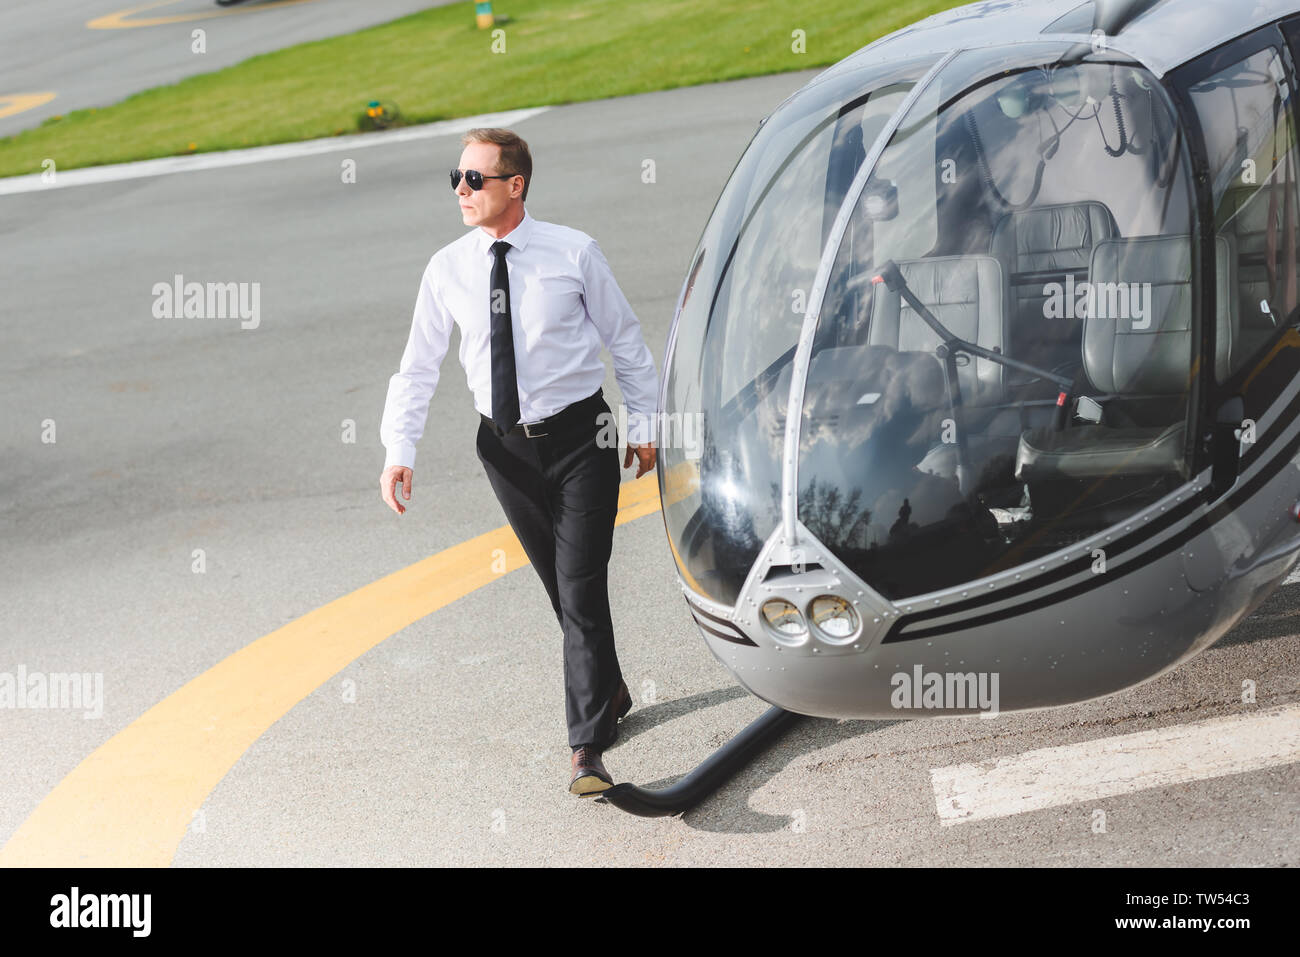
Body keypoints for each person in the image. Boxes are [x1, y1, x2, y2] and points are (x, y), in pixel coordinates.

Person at [378, 127, 660, 796]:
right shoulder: (446, 269)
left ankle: (585, 748)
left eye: (474, 179)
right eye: (457, 177)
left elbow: (627, 343)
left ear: (515, 185)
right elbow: (417, 367)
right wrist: (399, 450)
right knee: (564, 590)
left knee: (581, 583)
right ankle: (609, 688)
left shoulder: (573, 253)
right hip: (504, 450)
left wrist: (646, 425)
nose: (461, 190)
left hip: (581, 440)